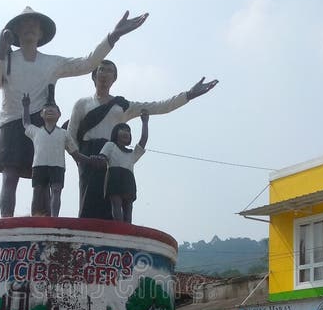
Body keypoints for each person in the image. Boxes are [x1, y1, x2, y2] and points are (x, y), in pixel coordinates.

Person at [0, 6, 148, 217]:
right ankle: (6, 222)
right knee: (10, 176)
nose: (29, 29)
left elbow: (87, 63)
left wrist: (113, 36)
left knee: (43, 180)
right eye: (24, 25)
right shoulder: (4, 58)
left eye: (34, 25)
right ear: (16, 31)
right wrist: (0, 51)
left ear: (41, 33)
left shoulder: (51, 63)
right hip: (11, 121)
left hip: (42, 124)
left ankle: (42, 221)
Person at [67, 60, 219, 219]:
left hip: (113, 155)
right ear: (94, 75)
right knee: (89, 198)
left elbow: (159, 106)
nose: (104, 74)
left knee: (113, 198)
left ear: (115, 78)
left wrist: (188, 95)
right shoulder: (82, 103)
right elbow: (70, 135)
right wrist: (79, 158)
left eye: (109, 71)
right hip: (89, 155)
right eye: (101, 70)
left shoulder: (122, 105)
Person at [22, 87, 87, 217]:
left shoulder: (64, 133)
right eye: (47, 109)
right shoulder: (36, 131)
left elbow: (75, 153)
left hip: (57, 166)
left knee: (56, 190)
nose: (50, 111)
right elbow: (26, 123)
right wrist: (26, 107)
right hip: (39, 166)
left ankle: (54, 217)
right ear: (42, 114)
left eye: (54, 109)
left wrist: (89, 160)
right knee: (38, 190)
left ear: (59, 115)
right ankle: (35, 216)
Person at [90, 113, 149, 223]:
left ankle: (127, 227)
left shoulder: (132, 154)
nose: (126, 132)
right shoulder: (110, 145)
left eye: (128, 131)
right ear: (115, 133)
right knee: (116, 204)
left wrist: (145, 122)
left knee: (128, 207)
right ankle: (119, 226)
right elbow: (102, 157)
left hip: (128, 179)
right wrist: (97, 159)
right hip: (114, 176)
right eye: (122, 129)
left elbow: (143, 140)